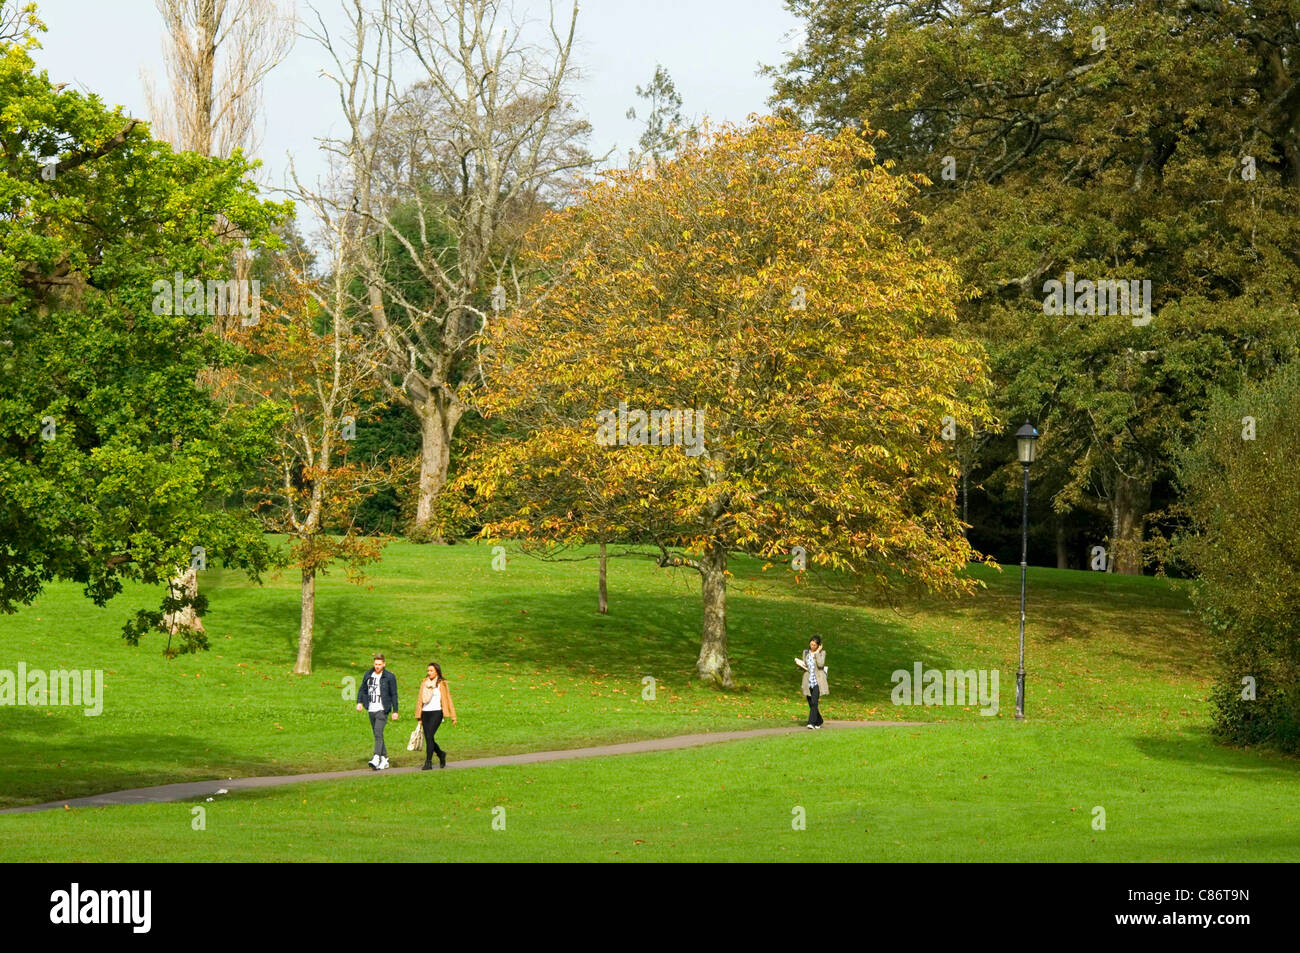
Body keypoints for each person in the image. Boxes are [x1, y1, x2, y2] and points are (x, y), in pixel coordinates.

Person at [356, 653, 399, 769]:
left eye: (380, 664)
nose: (377, 666)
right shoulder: (368, 675)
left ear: (384, 664)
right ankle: (384, 759)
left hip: (382, 709)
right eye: (376, 664)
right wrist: (359, 702)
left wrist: (395, 711)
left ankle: (376, 757)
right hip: (371, 708)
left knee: (378, 732)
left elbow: (394, 694)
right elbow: (362, 689)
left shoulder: (389, 677)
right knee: (377, 734)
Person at [416, 662, 458, 770]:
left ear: (437, 671)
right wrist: (419, 716)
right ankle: (441, 754)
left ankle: (428, 762)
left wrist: (453, 716)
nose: (429, 673)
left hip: (437, 713)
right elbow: (420, 700)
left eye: (431, 671)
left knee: (429, 736)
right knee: (429, 738)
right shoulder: (424, 683)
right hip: (425, 713)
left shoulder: (442, 684)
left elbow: (448, 699)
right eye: (428, 671)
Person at [799, 636, 828, 729]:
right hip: (808, 681)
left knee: (814, 701)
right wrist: (800, 665)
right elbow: (805, 664)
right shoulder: (806, 652)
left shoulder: (822, 653)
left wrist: (817, 653)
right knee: (811, 702)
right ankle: (819, 720)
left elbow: (820, 664)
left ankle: (811, 722)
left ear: (818, 646)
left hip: (817, 681)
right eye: (811, 644)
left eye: (814, 645)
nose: (812, 646)